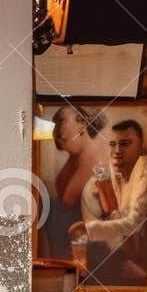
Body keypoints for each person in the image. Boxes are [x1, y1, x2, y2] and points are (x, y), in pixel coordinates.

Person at [70, 117, 147, 285]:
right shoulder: (105, 179)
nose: (117, 151)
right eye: (113, 145)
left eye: (125, 144)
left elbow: (134, 222)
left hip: (143, 263)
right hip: (119, 256)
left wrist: (89, 230)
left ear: (140, 144)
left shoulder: (145, 173)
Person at [38, 104, 109, 260]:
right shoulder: (77, 156)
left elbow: (68, 200)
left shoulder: (95, 162)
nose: (59, 132)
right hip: (67, 236)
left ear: (82, 123)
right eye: (57, 125)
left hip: (86, 241)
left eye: (63, 123)